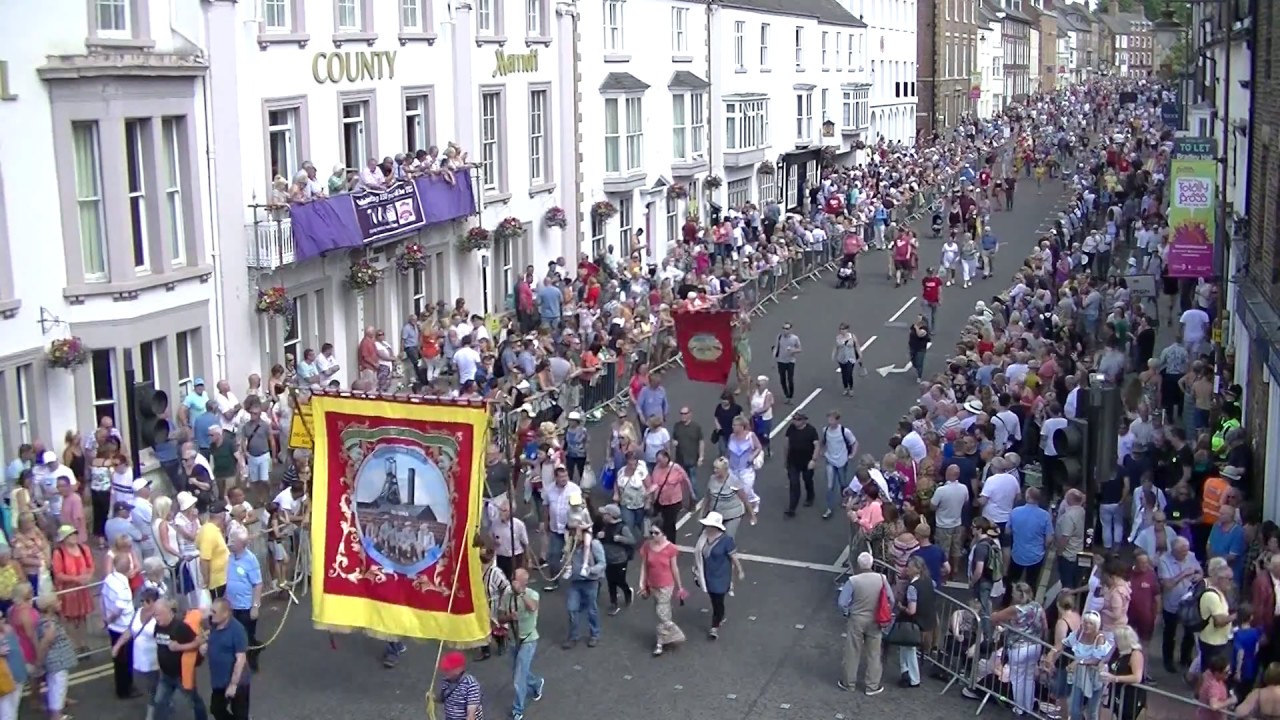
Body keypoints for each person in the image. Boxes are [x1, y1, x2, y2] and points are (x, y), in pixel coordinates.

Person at [838, 552, 887, 695]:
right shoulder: (882, 579)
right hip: (875, 619)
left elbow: (842, 602)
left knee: (852, 651)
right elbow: (890, 598)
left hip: (857, 619)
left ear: (859, 565)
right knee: (874, 653)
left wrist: (847, 612)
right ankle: (872, 685)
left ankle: (849, 683)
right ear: (871, 564)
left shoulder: (853, 580)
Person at [151, 597, 208, 720]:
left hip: (181, 676)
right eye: (155, 615)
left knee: (194, 701)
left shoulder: (180, 627)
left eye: (159, 615)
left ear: (168, 611)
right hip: (165, 675)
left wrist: (179, 647)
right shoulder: (158, 626)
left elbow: (198, 642)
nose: (156, 618)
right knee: (160, 702)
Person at [498, 569, 544, 720]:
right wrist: (509, 617)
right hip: (513, 639)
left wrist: (522, 593)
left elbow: (533, 607)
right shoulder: (507, 596)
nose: (512, 582)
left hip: (528, 640)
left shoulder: (532, 594)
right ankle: (536, 684)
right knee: (518, 672)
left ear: (524, 581)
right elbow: (500, 618)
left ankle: (518, 709)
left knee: (518, 678)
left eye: (516, 579)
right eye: (512, 579)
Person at [691, 512, 744, 639]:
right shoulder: (703, 537)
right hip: (707, 575)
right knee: (713, 598)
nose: (707, 527)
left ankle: (715, 626)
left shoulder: (726, 540)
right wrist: (696, 570)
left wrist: (740, 570)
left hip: (721, 576)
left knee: (718, 601)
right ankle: (719, 617)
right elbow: (698, 555)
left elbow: (734, 557)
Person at [638, 522, 685, 656]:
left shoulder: (671, 548)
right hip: (652, 584)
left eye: (656, 533)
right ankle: (665, 638)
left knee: (661, 611)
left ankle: (668, 639)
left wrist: (680, 586)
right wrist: (642, 583)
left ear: (664, 533)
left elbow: (674, 568)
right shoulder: (647, 546)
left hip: (666, 585)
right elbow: (644, 565)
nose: (653, 535)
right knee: (661, 613)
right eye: (651, 532)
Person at [560, 517, 604, 650]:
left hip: (590, 582)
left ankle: (594, 634)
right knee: (572, 609)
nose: (573, 534)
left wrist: (590, 570)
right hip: (575, 582)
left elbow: (602, 563)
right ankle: (573, 636)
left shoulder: (594, 545)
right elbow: (565, 561)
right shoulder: (571, 546)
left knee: (592, 609)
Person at [224, 528, 263, 672]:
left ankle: (253, 657)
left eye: (233, 541)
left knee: (247, 636)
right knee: (236, 636)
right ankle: (240, 663)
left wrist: (255, 606)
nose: (230, 543)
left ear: (241, 544)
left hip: (246, 606)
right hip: (233, 606)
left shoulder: (251, 560)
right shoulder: (230, 557)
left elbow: (257, 584)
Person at [35, 593, 78, 720]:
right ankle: (56, 715)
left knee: (55, 684)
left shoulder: (49, 619)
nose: (60, 602)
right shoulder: (50, 624)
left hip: (56, 661)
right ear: (50, 607)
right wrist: (39, 661)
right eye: (57, 601)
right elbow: (45, 643)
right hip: (57, 661)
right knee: (58, 685)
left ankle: (56, 710)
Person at [206, 598, 250, 720]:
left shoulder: (237, 630)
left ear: (225, 613)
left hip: (238, 682)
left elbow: (240, 659)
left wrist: (233, 685)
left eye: (214, 612)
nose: (211, 614)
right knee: (216, 709)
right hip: (219, 681)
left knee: (240, 715)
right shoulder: (214, 624)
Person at [783, 413, 819, 518]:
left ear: (804, 420)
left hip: (807, 462)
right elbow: (786, 444)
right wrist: (785, 460)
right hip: (793, 462)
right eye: (794, 419)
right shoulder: (791, 428)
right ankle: (792, 508)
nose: (795, 421)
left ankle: (810, 496)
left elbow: (816, 446)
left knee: (807, 479)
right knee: (794, 484)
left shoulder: (811, 430)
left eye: (798, 419)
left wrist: (813, 460)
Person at [435, 651, 484, 720]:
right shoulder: (446, 680)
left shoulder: (471, 683)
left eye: (448, 669)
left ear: (459, 669)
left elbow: (472, 705)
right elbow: (444, 697)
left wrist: (470, 716)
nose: (445, 671)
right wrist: (433, 698)